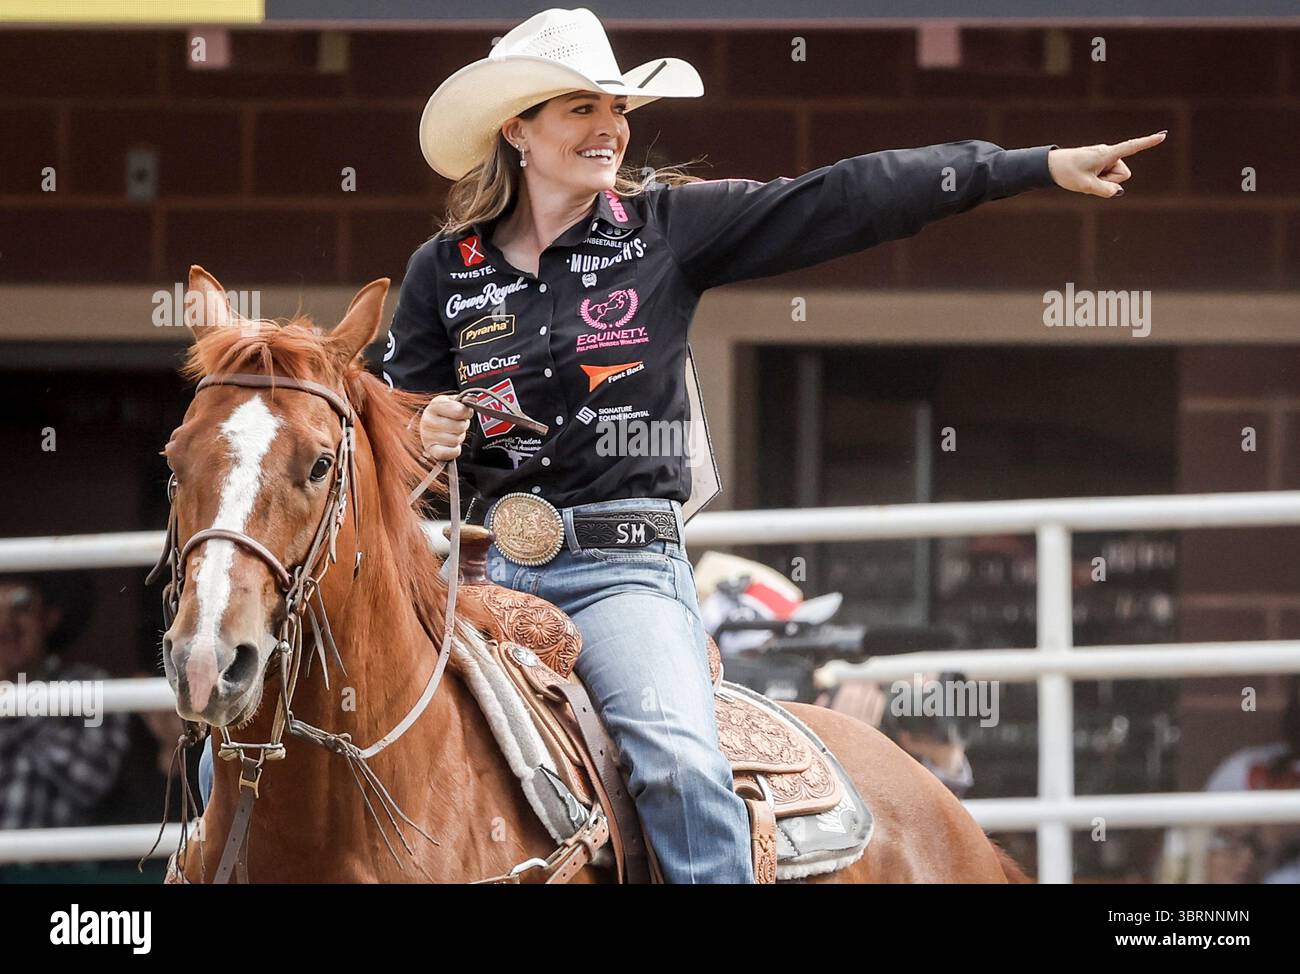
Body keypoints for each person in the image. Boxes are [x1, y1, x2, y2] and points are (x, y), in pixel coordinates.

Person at [201, 6, 1165, 882]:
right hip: (475, 572)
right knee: (250, 733)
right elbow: (387, 442)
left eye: (615, 106)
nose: (609, 126)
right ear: (518, 129)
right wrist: (426, 433)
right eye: (579, 106)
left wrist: (1027, 165)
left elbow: (845, 196)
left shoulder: (667, 231)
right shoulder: (442, 271)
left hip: (622, 571)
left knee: (679, 766)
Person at [0, 573, 130, 833]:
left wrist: (17, 701)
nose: (5, 623)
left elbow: (93, 780)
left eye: (21, 605)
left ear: (49, 618)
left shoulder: (87, 685)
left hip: (56, 870)